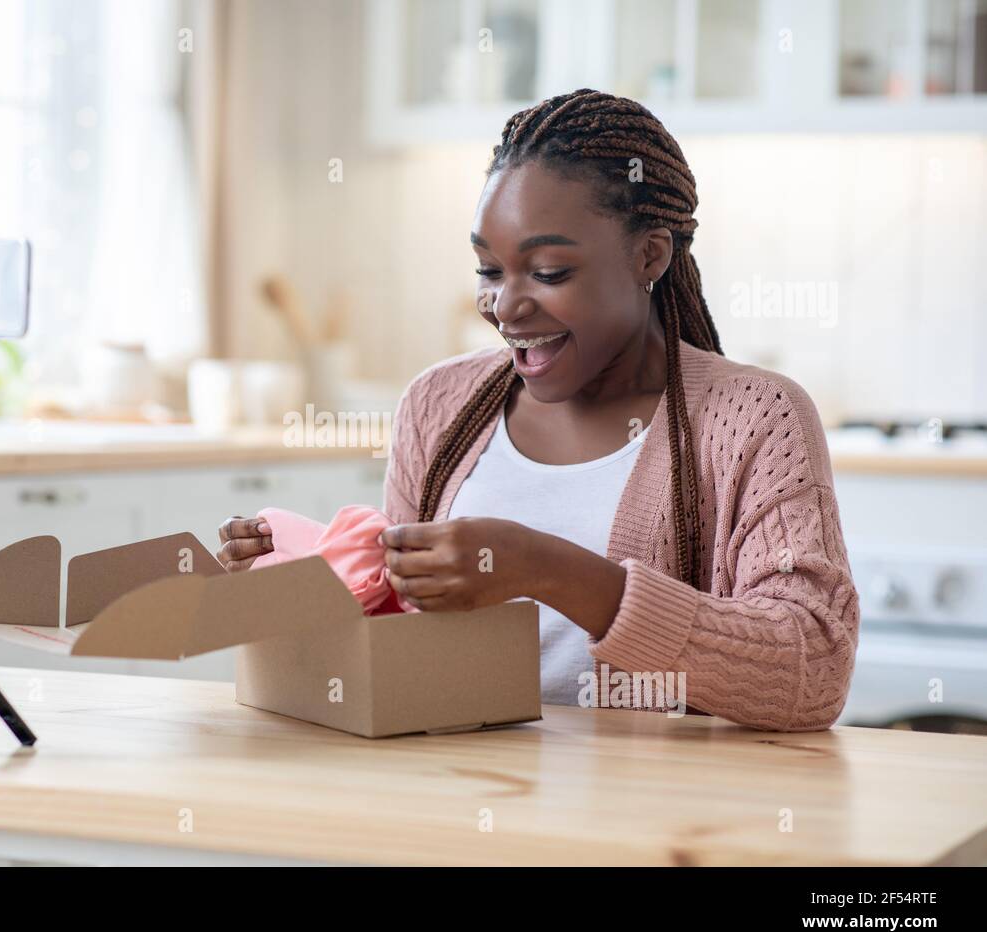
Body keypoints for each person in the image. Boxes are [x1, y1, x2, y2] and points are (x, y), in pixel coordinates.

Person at [218, 89, 858, 732]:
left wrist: (547, 568)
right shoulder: (438, 405)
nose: (505, 306)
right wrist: (301, 578)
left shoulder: (755, 419)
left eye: (549, 272)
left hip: (659, 818)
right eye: (489, 270)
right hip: (459, 799)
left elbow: (811, 670)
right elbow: (396, 627)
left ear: (650, 256)